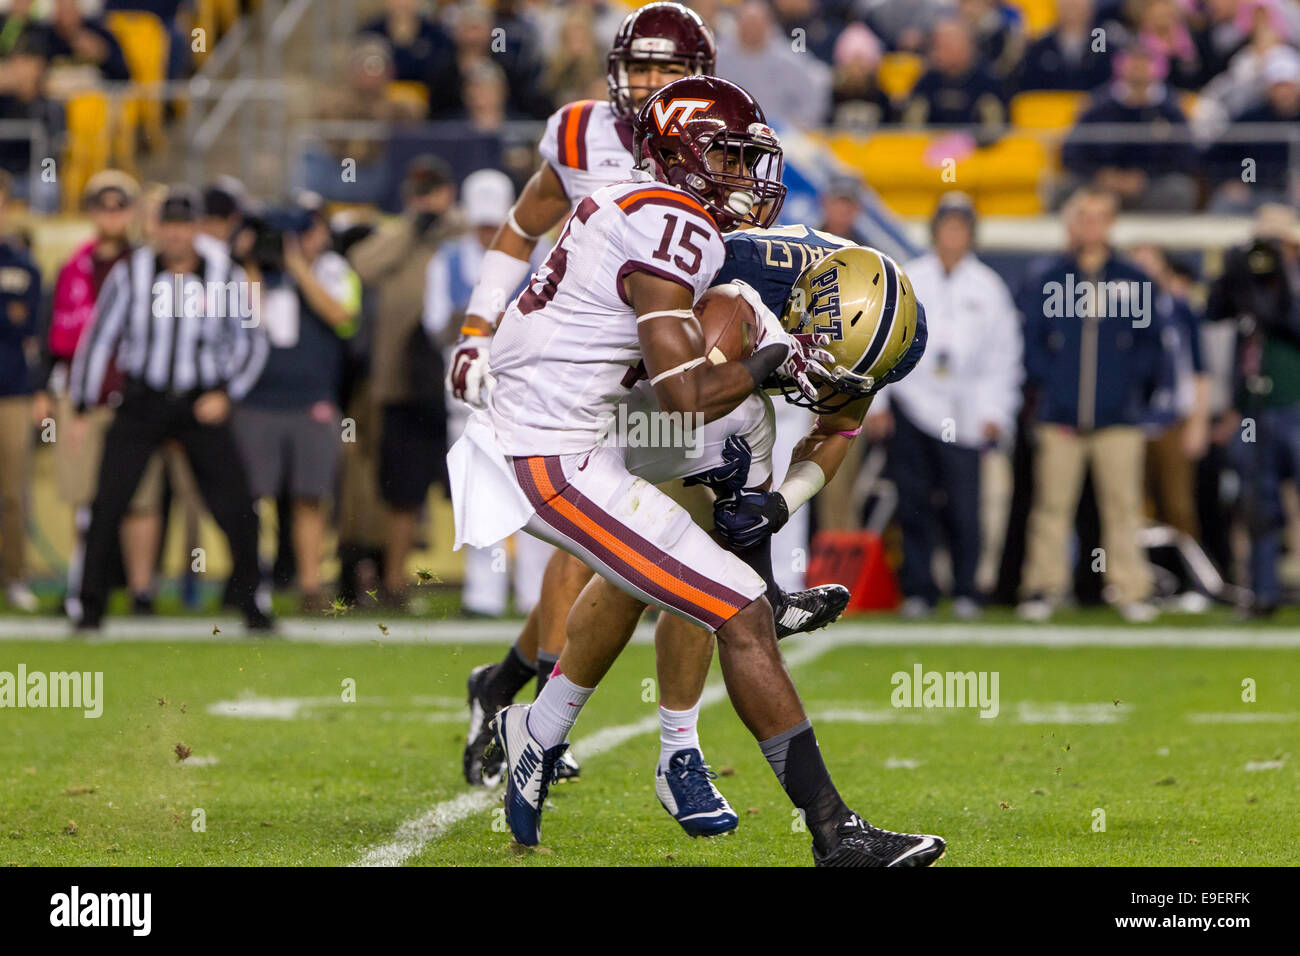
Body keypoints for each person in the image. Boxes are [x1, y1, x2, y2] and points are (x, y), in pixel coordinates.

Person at [460, 76, 943, 865]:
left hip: (574, 427)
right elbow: (683, 395)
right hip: (562, 443)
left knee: (656, 567)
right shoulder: (720, 270)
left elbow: (839, 425)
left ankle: (534, 727)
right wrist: (773, 357)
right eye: (731, 155)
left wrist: (786, 504)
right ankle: (828, 830)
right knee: (734, 596)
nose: (752, 177)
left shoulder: (863, 312)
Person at [450, 1, 719, 786]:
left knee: (671, 544)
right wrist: (476, 326)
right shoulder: (579, 132)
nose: (652, 82)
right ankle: (538, 723)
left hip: (663, 375)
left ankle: (509, 691)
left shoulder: (721, 138)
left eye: (670, 68)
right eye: (641, 66)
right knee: (582, 544)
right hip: (576, 373)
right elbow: (522, 224)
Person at [67, 185, 272, 632]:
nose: (177, 235)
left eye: (185, 225)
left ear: (197, 228)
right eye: (170, 225)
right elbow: (100, 338)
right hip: (143, 400)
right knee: (109, 502)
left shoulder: (227, 274)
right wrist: (82, 403)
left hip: (201, 401)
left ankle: (251, 601)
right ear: (157, 227)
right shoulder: (132, 272)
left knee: (238, 503)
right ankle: (89, 605)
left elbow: (253, 340)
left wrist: (228, 392)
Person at [1017, 186, 1176, 623]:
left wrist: (1128, 392)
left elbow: (1151, 346)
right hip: (1061, 418)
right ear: (1072, 222)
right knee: (1052, 506)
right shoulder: (1048, 276)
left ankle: (1130, 588)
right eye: (1083, 216)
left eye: (1099, 216)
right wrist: (1053, 388)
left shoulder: (1133, 277)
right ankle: (1044, 587)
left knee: (1123, 506)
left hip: (1118, 418)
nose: (1091, 225)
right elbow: (1030, 344)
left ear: (1110, 223)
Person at [867, 192, 1022, 619]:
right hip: (912, 402)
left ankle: (968, 588)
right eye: (947, 226)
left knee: (964, 505)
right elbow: (883, 343)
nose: (953, 235)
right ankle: (920, 589)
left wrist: (997, 412)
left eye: (961, 227)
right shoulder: (909, 279)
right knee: (914, 501)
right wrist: (877, 403)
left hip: (966, 410)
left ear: (971, 235)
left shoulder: (988, 287)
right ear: (936, 231)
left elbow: (1003, 357)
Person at [33, 170, 170, 619]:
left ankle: (141, 591)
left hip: (134, 396)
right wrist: (47, 392)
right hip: (82, 398)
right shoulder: (74, 265)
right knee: (85, 495)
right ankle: (83, 585)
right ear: (91, 211)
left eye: (120, 206)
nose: (112, 215)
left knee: (140, 499)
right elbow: (53, 334)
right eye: (103, 206)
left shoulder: (150, 266)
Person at [425, 169, 551, 617]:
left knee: (536, 495)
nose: (485, 234)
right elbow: (435, 325)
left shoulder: (540, 257)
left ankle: (537, 596)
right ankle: (484, 595)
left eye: (493, 224)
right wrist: (480, 317)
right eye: (479, 225)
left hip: (526, 393)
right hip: (469, 394)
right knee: (480, 494)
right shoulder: (447, 260)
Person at [233, 199, 361, 612]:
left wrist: (297, 268)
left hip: (312, 400)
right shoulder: (250, 274)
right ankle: (253, 585)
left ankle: (310, 586)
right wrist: (251, 261)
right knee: (252, 498)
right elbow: (242, 316)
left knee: (311, 495)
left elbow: (342, 316)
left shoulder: (333, 270)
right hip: (257, 399)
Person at [348, 157, 462, 606]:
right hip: (402, 385)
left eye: (433, 192)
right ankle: (393, 582)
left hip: (460, 383)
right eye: (419, 193)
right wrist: (412, 228)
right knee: (400, 490)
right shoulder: (396, 236)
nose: (426, 201)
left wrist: (444, 225)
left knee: (477, 485)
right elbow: (361, 266)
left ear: (449, 193)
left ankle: (489, 589)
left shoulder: (463, 234)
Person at [1205, 204, 1300, 617]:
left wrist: (1276, 295)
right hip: (1255, 411)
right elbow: (1214, 313)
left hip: (1295, 406)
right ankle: (1262, 593)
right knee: (1258, 507)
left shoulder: (1290, 288)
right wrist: (1231, 277)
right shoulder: (1250, 286)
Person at [0, 170, 41, 612]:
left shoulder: (23, 264)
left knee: (13, 491)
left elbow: (26, 327)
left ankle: (13, 575)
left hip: (11, 390)